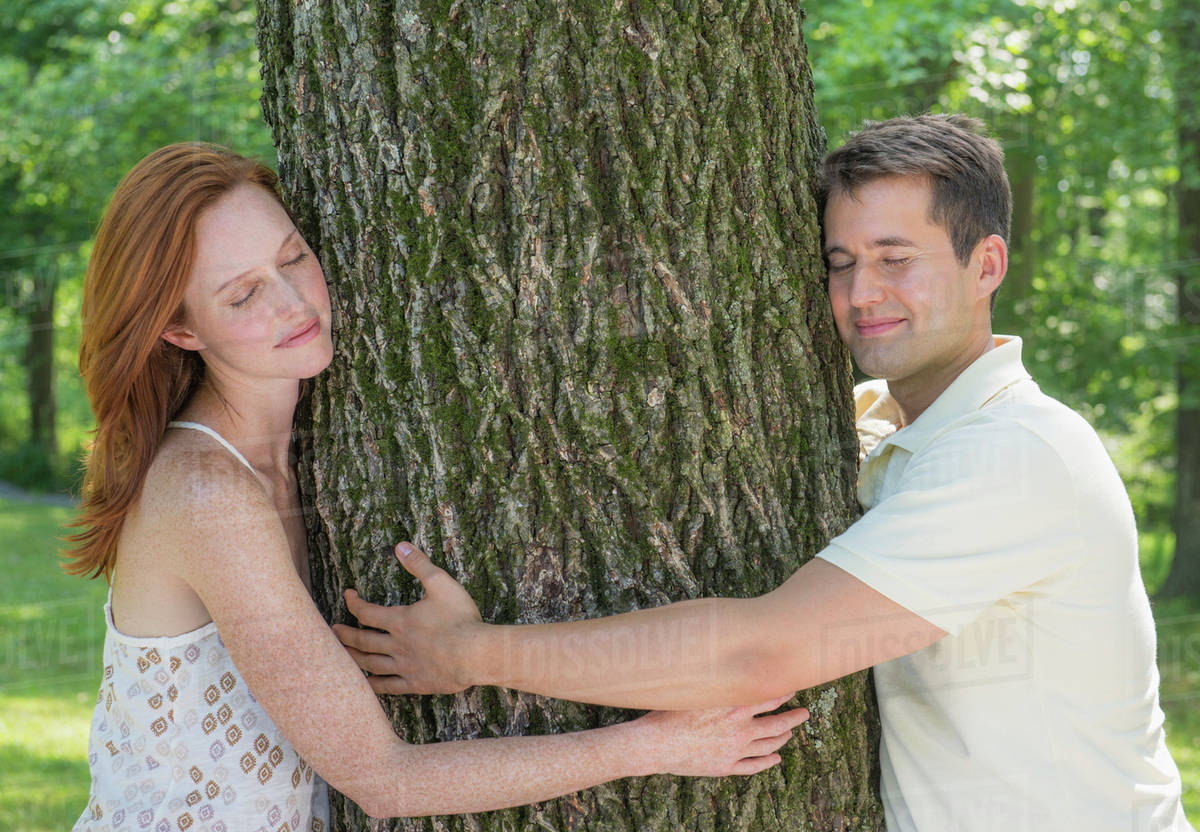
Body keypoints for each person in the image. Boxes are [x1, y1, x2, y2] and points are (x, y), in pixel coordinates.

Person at [335, 115, 1193, 831]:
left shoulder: (1014, 455)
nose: (862, 292)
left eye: (897, 259)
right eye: (840, 262)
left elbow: (759, 651)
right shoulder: (899, 435)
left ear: (987, 266)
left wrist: (472, 654)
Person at [64, 142, 809, 830]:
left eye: (293, 257)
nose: (292, 302)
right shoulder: (206, 494)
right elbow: (383, 781)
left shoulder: (291, 449)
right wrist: (655, 744)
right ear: (181, 331)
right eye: (242, 295)